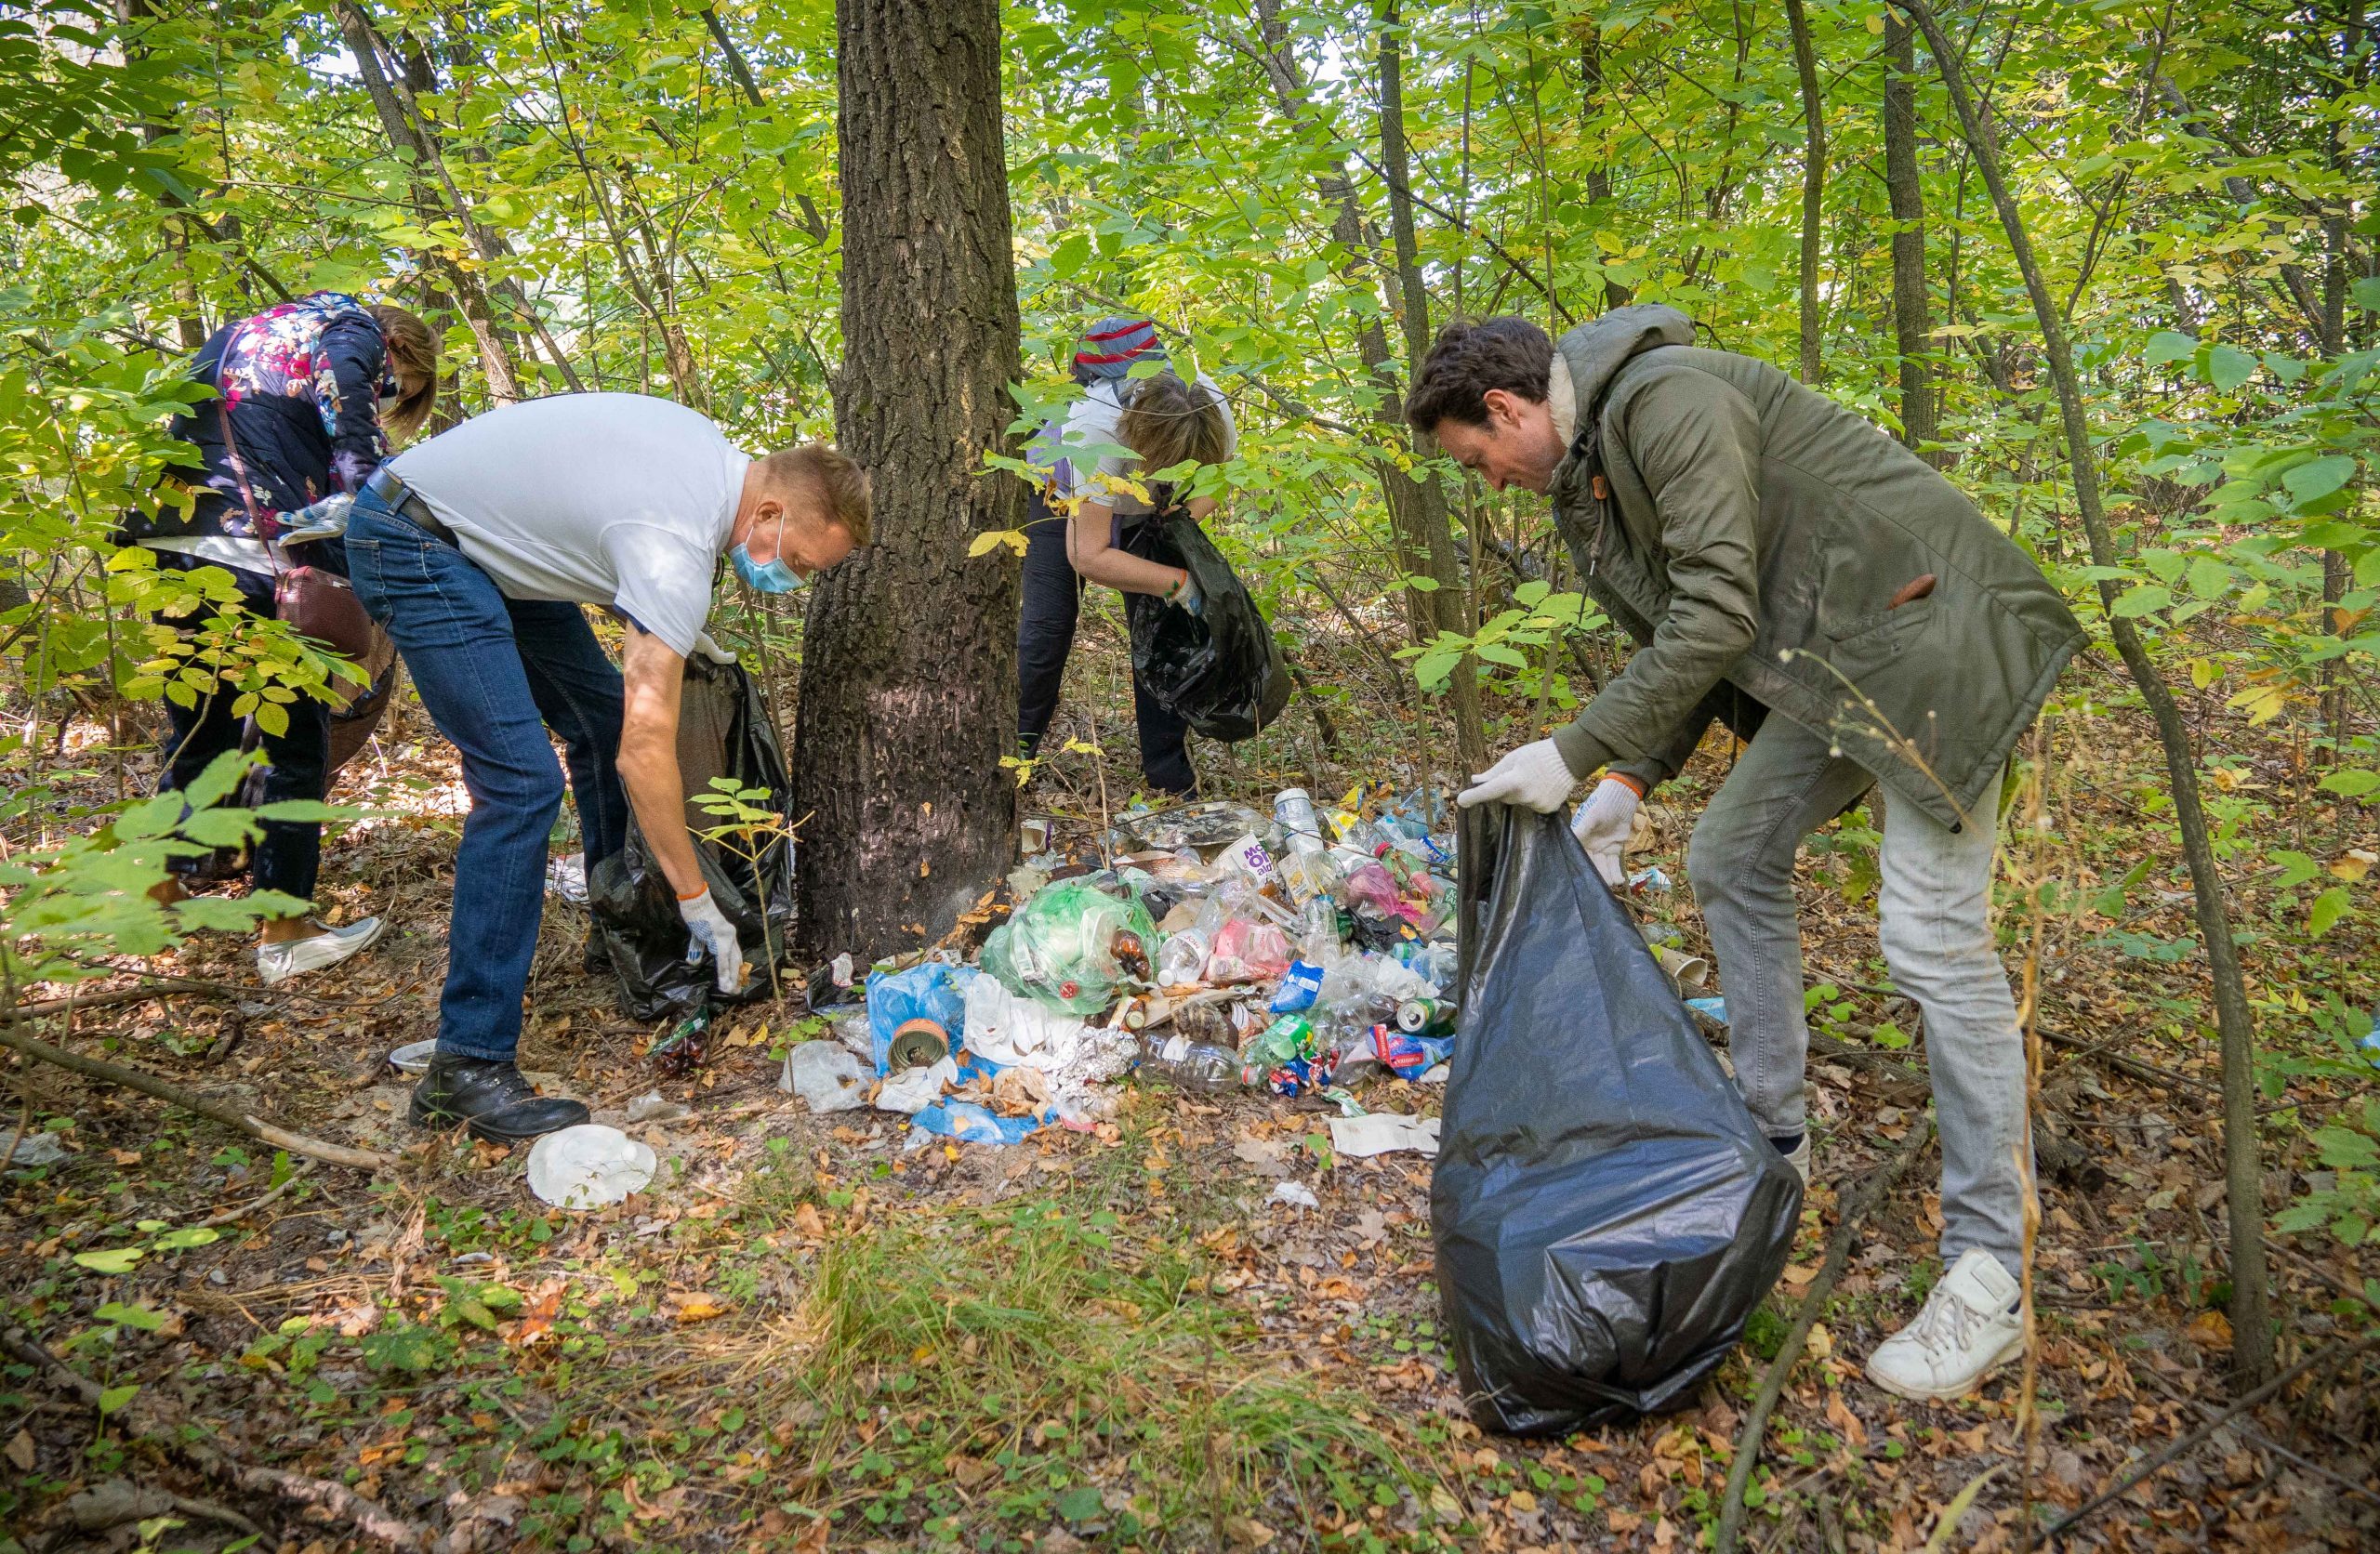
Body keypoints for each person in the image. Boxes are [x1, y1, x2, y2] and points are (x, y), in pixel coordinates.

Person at [1407, 306, 2085, 1403]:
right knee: (1727, 854)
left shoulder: (1667, 401)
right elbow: (1685, 638)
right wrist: (1627, 778)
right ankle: (1772, 1138)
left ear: (1507, 407)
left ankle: (1990, 1273)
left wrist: (1575, 750)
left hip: (1939, 651)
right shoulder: (1591, 476)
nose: (1488, 483)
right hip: (1841, 667)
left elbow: (1716, 612)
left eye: (1479, 460)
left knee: (1930, 942)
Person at [346, 393, 870, 1142]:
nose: (788, 578)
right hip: (415, 541)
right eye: (793, 561)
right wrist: (695, 896)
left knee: (595, 719)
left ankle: (616, 921)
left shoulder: (708, 462)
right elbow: (644, 748)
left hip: (487, 547)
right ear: (769, 512)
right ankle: (466, 1065)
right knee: (521, 785)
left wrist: (681, 639)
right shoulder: (674, 536)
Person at [122, 291, 437, 985]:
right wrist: (368, 490)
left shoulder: (242, 334)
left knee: (201, 730)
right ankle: (287, 927)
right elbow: (350, 424)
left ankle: (161, 893)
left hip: (170, 545)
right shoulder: (352, 329)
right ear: (400, 350)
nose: (386, 398)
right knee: (296, 744)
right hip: (252, 543)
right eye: (396, 389)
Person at [1017, 317, 1237, 797]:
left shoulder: (1213, 406)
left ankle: (1169, 777)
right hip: (1062, 499)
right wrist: (1177, 581)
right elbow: (1088, 553)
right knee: (1047, 628)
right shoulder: (1096, 428)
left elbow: (1222, 479)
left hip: (1150, 509)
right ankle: (1016, 759)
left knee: (1162, 629)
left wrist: (1181, 518)